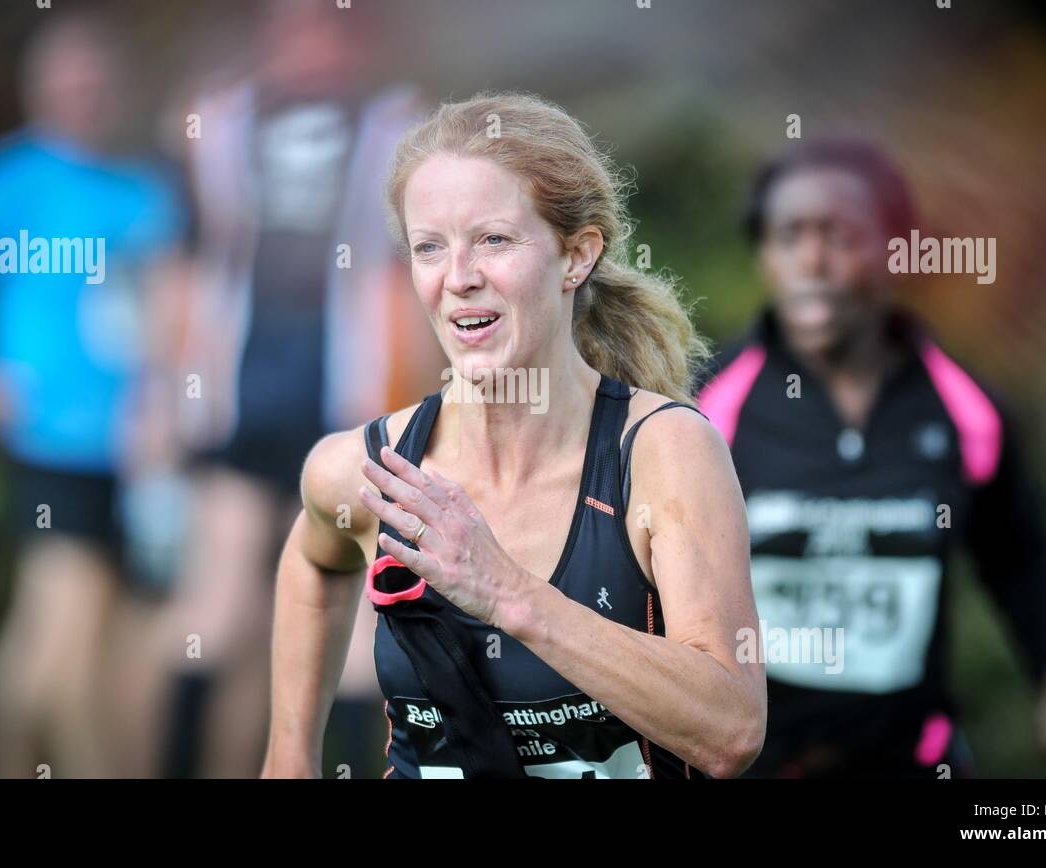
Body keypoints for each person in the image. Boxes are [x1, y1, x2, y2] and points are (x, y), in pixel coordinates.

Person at [260, 92, 766, 779]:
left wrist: (509, 593)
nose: (459, 278)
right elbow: (316, 564)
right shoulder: (365, 471)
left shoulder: (661, 454)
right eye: (429, 248)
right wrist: (289, 757)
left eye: (494, 240)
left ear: (576, 256)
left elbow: (731, 728)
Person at [697, 139, 1046, 777]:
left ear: (898, 248)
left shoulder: (966, 410)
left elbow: (1019, 562)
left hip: (914, 761)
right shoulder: (704, 404)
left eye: (842, 235)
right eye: (788, 235)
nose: (812, 260)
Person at [0, 13, 185, 777]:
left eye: (95, 79)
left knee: (71, 647)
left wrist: (173, 402)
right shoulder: (14, 176)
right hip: (50, 440)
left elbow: (175, 312)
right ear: (38, 88)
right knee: (65, 641)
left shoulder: (147, 190)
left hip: (140, 452)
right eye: (66, 79)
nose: (82, 93)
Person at [157, 0, 439, 778]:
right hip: (238, 401)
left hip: (346, 401)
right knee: (216, 609)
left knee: (349, 621)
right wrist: (161, 398)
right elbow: (181, 268)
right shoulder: (215, 121)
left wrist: (418, 406)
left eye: (326, 23)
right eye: (294, 23)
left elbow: (406, 280)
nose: (308, 40)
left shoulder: (396, 125)